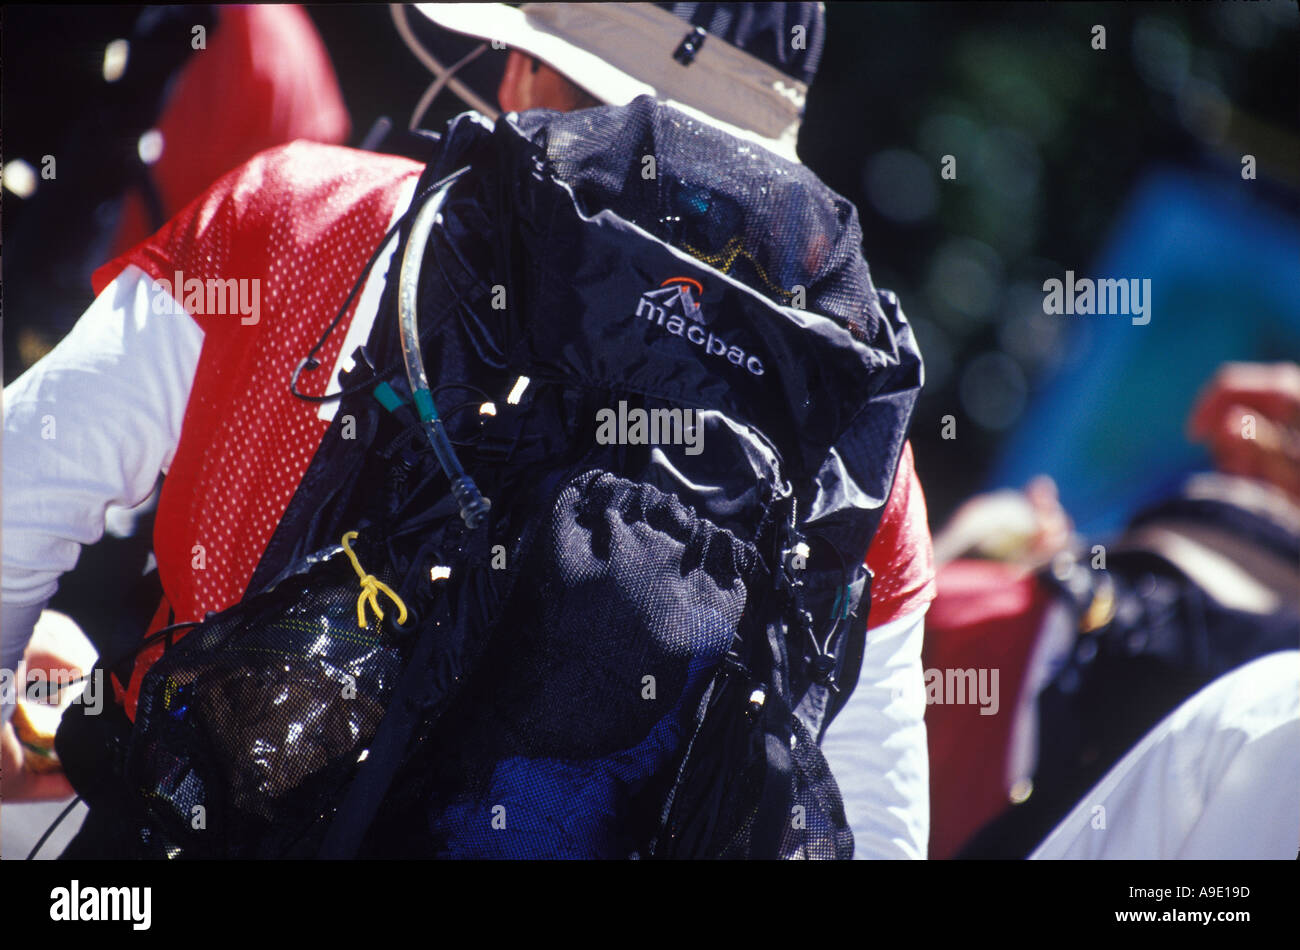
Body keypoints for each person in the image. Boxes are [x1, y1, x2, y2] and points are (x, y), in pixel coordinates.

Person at [2, 2, 935, 858]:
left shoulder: (305, 215)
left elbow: (17, 500)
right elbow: (876, 831)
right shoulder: (855, 449)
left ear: (530, 72)